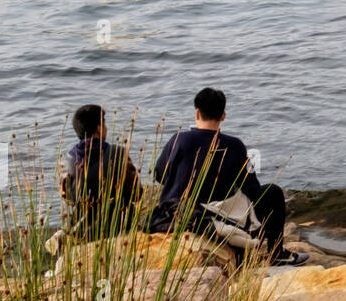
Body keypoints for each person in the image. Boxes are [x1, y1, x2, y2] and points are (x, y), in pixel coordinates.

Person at [149, 87, 307, 266]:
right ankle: (276, 254)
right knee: (273, 192)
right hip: (213, 216)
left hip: (172, 212)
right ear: (223, 115)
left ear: (197, 113)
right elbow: (252, 188)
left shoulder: (177, 139)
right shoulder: (234, 145)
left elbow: (160, 175)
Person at [59, 104, 141, 239]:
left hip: (83, 232)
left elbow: (68, 199)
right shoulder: (118, 153)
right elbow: (136, 194)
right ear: (98, 128)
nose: (106, 128)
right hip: (119, 227)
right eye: (104, 124)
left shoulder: (66, 161)